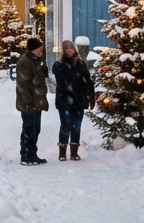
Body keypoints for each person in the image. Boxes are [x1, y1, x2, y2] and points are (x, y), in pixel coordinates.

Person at [52, 39, 95, 161]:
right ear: (64, 51)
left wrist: (91, 95)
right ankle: (62, 151)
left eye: (71, 48)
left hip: (79, 101)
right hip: (64, 101)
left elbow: (88, 80)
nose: (70, 51)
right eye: (67, 48)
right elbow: (63, 82)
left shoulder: (81, 64)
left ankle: (74, 152)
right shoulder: (58, 65)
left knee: (76, 126)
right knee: (65, 125)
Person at [15, 37, 49, 165]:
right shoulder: (25, 62)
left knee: (36, 129)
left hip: (37, 102)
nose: (41, 51)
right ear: (33, 50)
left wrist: (42, 70)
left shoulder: (36, 61)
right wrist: (28, 103)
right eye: (39, 49)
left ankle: (32, 154)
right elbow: (23, 84)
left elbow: (38, 78)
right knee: (29, 129)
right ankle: (25, 155)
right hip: (28, 103)